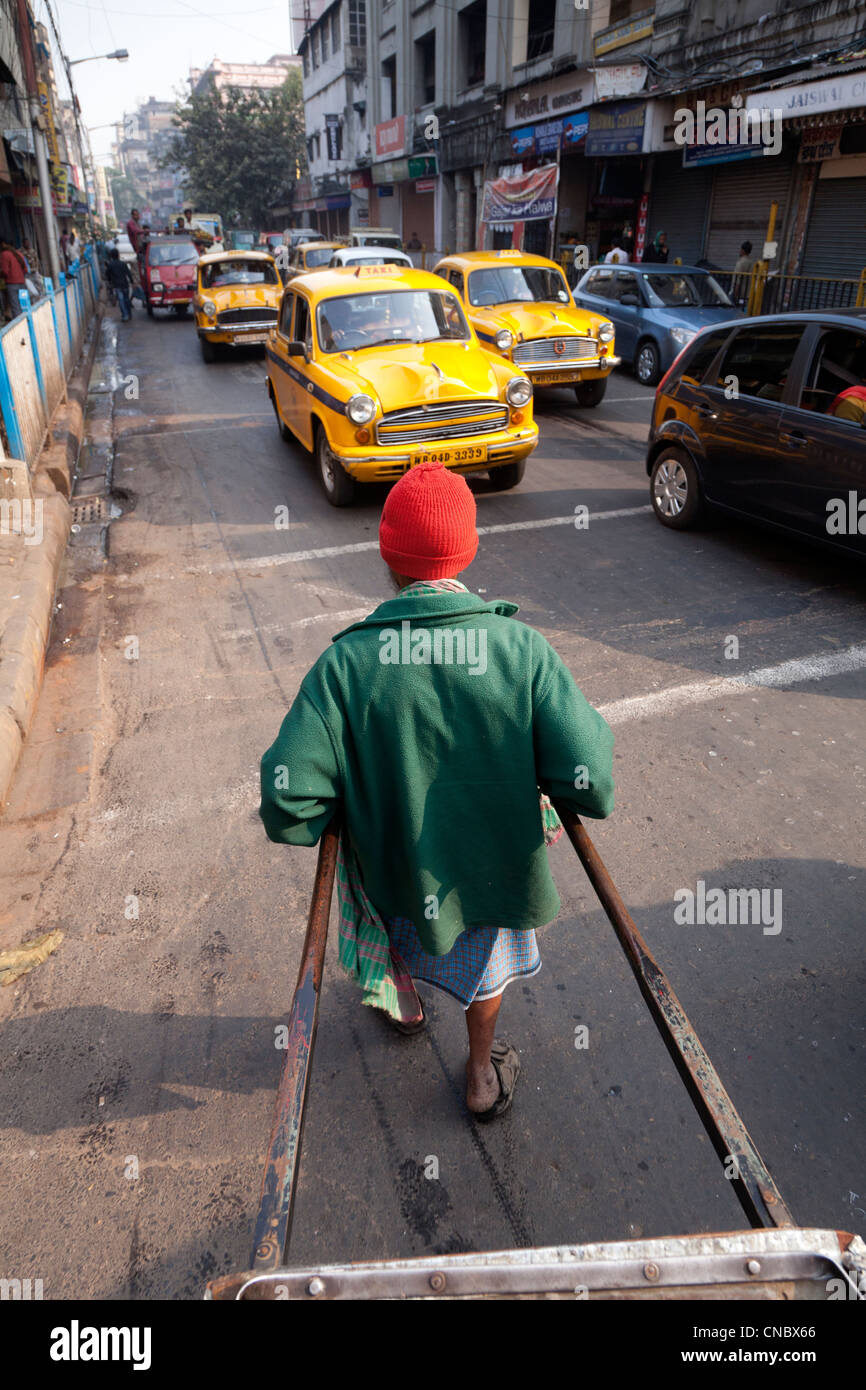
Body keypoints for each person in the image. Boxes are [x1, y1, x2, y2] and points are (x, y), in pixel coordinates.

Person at [259, 462, 615, 1120]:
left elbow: (289, 806)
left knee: (380, 905)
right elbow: (592, 779)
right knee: (487, 966)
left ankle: (408, 1004)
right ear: (469, 549)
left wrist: (350, 793)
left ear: (386, 555)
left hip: (394, 880)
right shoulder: (522, 651)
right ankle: (481, 1076)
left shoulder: (344, 665)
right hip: (489, 881)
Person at [0, 239, 28, 318]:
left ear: (3, 244)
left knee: (16, 308)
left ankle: (21, 327)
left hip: (12, 284)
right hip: (22, 283)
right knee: (24, 306)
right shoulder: (19, 254)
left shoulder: (5, 254)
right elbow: (25, 269)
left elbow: (5, 271)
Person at [105, 247, 133, 321]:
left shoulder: (110, 265)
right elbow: (128, 273)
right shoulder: (123, 264)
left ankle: (125, 315)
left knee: (121, 301)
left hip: (117, 286)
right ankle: (129, 314)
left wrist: (110, 281)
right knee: (126, 300)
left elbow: (107, 275)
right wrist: (132, 281)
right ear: (118, 255)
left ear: (111, 256)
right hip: (125, 284)